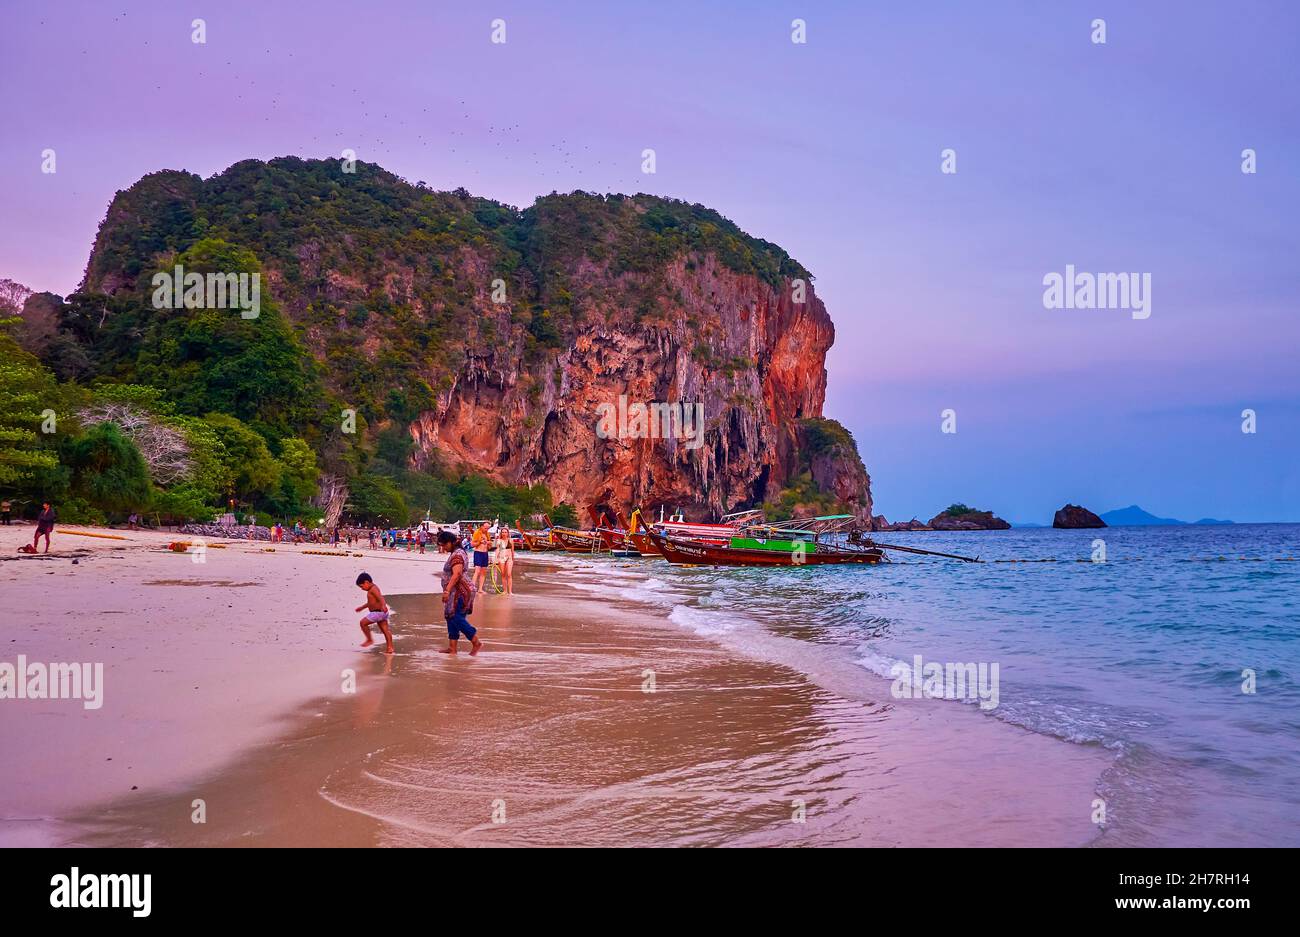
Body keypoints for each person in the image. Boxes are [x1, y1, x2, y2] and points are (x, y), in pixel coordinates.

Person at [437, 530, 481, 655]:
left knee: (456, 617)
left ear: (451, 542)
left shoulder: (457, 555)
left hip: (459, 591)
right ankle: (452, 647)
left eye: (445, 545)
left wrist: (447, 590)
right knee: (451, 617)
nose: (444, 548)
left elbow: (456, 574)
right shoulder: (457, 553)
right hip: (457, 590)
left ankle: (475, 641)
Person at [354, 572, 394, 655]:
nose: (362, 589)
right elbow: (370, 603)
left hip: (377, 613)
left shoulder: (373, 589)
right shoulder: (372, 589)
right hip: (382, 613)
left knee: (363, 623)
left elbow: (381, 598)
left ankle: (369, 639)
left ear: (367, 582)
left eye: (362, 586)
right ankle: (390, 647)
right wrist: (362, 608)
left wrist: (383, 605)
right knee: (385, 630)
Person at [494, 524, 515, 595]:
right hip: (501, 558)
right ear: (501, 533)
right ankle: (505, 591)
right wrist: (495, 558)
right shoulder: (498, 540)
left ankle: (510, 591)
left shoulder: (511, 540)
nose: (504, 533)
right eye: (503, 532)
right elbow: (497, 550)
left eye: (505, 532)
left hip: (509, 558)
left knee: (509, 574)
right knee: (503, 574)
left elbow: (512, 551)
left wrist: (513, 559)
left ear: (508, 533)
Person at [471, 521, 491, 593]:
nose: (486, 529)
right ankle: (472, 587)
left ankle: (480, 589)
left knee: (483, 572)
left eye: (488, 528)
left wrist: (488, 542)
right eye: (485, 528)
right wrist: (480, 542)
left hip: (485, 553)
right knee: (477, 571)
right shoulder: (477, 533)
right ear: (481, 527)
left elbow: (490, 545)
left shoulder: (487, 534)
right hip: (478, 553)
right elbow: (472, 544)